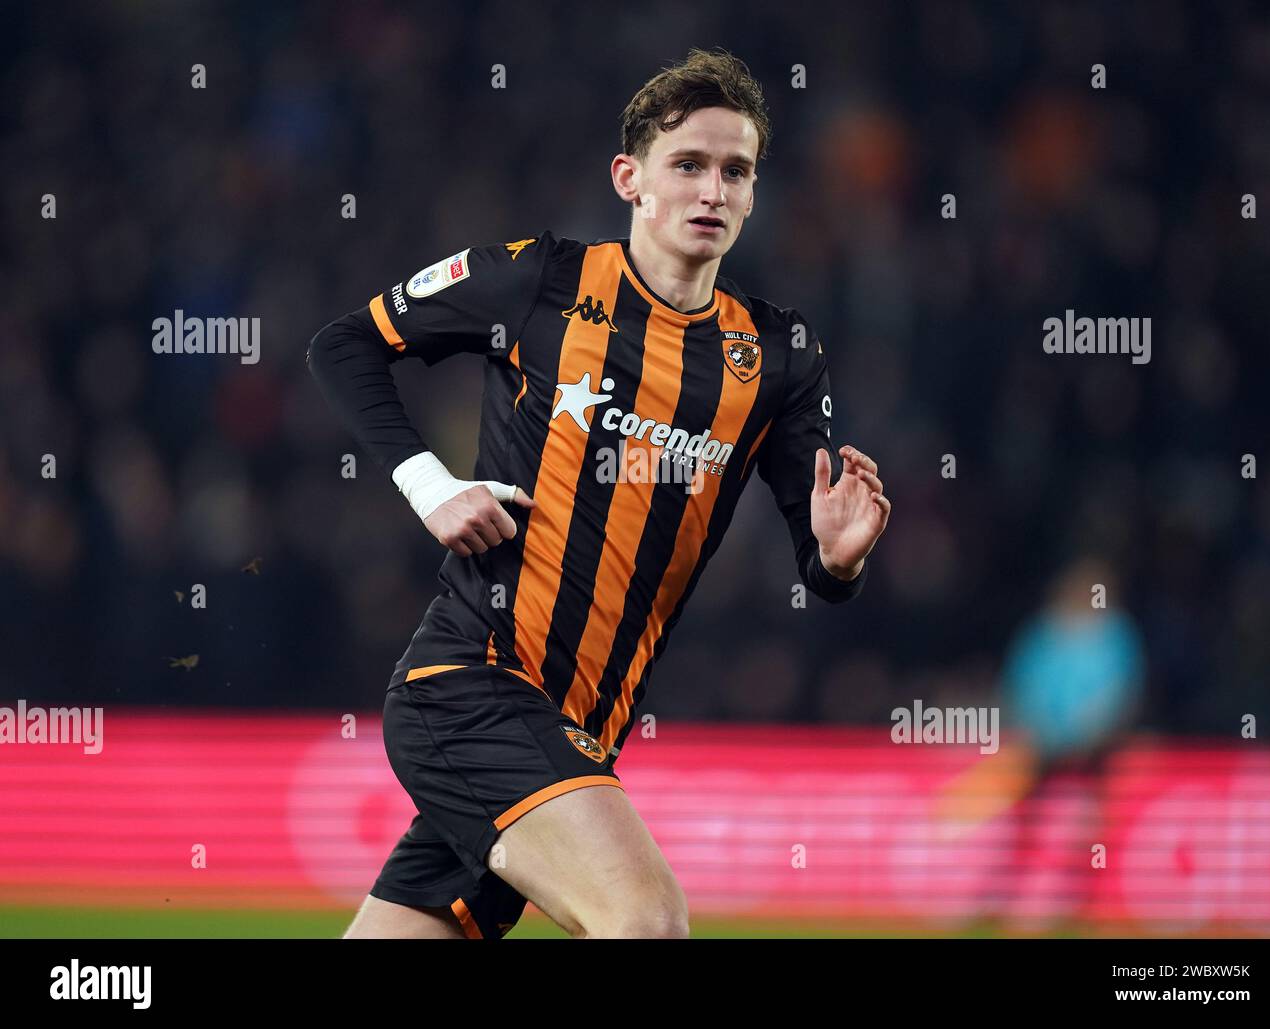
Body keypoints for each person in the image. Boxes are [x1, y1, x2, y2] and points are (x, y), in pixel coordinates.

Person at [307, 47, 890, 939]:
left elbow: (817, 558)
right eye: (687, 164)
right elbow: (344, 344)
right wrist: (429, 486)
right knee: (646, 919)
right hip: (469, 685)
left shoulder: (777, 357)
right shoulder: (539, 280)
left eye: (736, 171)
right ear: (631, 177)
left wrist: (840, 558)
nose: (712, 191)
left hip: (578, 725)